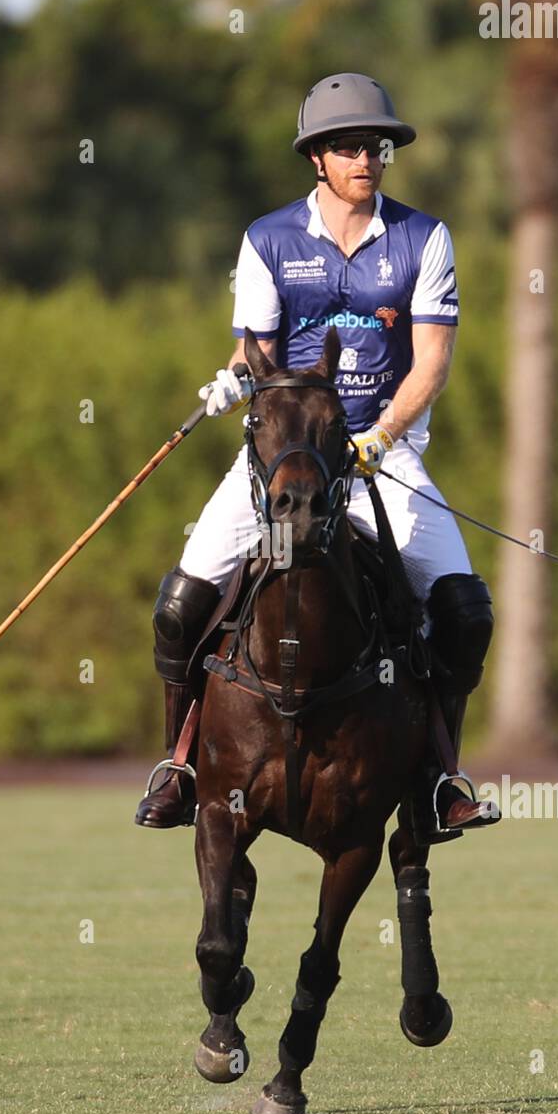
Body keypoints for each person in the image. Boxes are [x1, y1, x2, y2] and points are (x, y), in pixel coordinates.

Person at [134, 72, 495, 835]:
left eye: (376, 145)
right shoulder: (268, 238)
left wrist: (378, 438)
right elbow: (253, 350)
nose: (367, 158)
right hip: (282, 458)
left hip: (377, 457)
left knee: (463, 611)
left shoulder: (422, 237)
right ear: (317, 160)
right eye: (348, 146)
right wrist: (229, 382)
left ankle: (440, 777)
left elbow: (430, 362)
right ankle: (177, 763)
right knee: (179, 605)